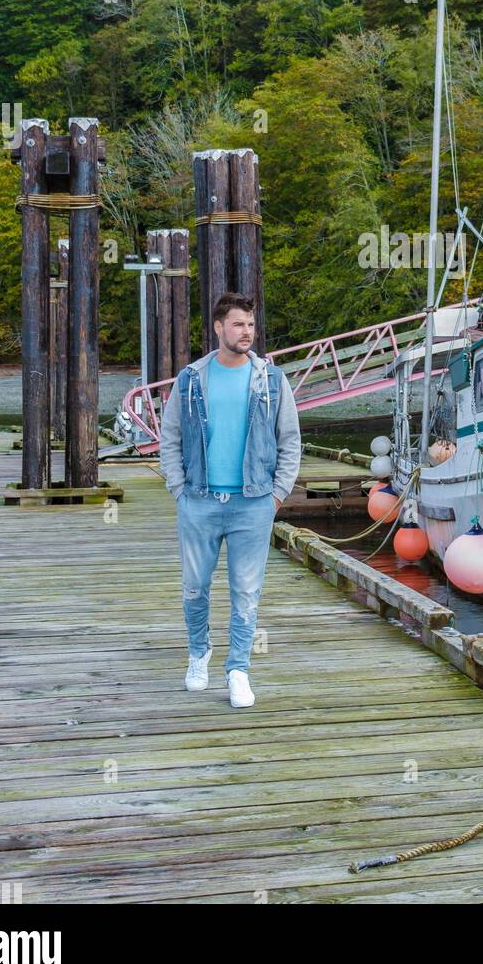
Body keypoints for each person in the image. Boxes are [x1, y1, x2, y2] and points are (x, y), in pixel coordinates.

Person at [159, 291, 301, 707]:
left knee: (246, 590)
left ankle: (238, 669)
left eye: (251, 325)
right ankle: (198, 653)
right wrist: (178, 489)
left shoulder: (272, 380)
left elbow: (289, 440)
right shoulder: (190, 379)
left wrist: (277, 495)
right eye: (238, 324)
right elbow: (170, 438)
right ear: (218, 327)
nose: (247, 332)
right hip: (199, 500)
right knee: (194, 588)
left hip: (253, 503)